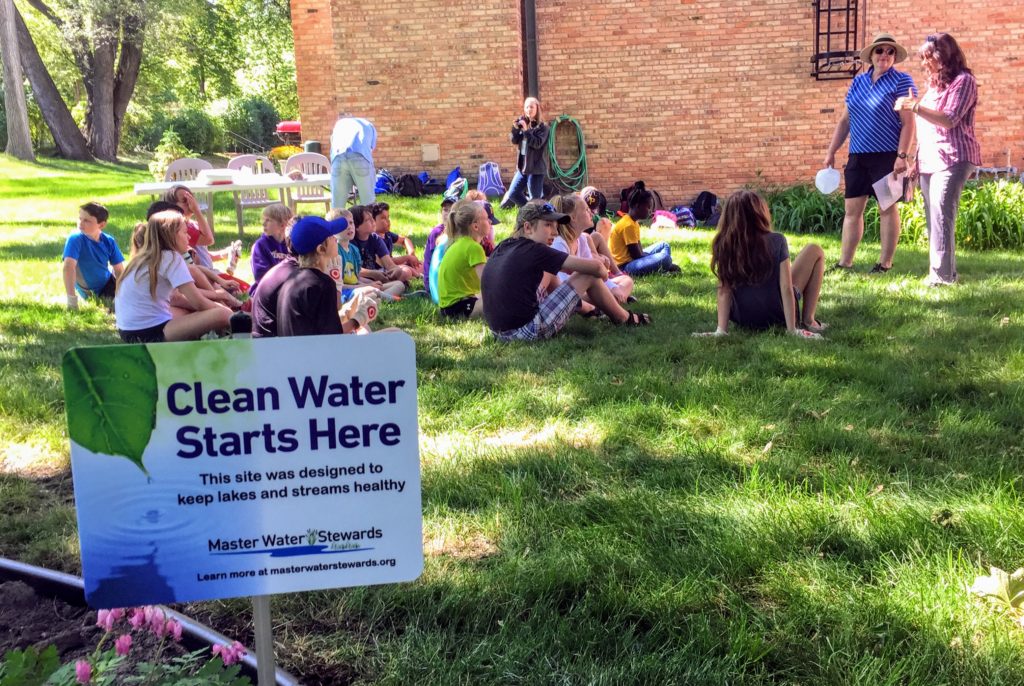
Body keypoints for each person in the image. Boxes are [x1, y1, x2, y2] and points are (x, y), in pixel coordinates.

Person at [481, 203, 651, 342]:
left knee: (551, 270)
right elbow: (596, 269)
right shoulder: (536, 250)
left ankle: (587, 310)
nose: (555, 233)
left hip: (498, 332)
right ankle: (624, 318)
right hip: (525, 331)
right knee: (588, 274)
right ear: (528, 227)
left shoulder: (504, 245)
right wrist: (603, 268)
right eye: (548, 225)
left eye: (555, 226)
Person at [824, 33, 917, 273]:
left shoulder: (902, 82)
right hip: (858, 155)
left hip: (887, 156)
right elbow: (845, 121)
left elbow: (908, 123)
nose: (885, 55)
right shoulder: (858, 83)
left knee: (887, 208)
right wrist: (831, 151)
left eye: (890, 51)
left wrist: (902, 155)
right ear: (871, 55)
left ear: (894, 57)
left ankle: (884, 263)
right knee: (851, 211)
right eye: (880, 51)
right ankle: (845, 262)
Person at [895, 33, 981, 286]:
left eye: (927, 57)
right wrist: (916, 163)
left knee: (942, 214)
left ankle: (942, 278)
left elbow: (949, 118)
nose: (924, 63)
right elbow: (927, 128)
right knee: (934, 217)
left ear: (942, 55)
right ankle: (944, 273)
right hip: (931, 160)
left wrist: (915, 106)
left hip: (954, 157)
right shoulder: (935, 86)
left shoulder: (964, 81)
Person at [698, 190, 825, 339]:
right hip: (778, 314)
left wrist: (721, 330)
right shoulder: (777, 240)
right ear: (760, 213)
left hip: (743, 318)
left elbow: (723, 291)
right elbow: (786, 288)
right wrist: (792, 330)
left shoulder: (723, 244)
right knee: (814, 250)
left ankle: (722, 329)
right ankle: (809, 320)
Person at [114, 210, 232, 343]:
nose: (188, 237)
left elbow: (180, 299)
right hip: (150, 333)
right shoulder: (171, 258)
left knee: (191, 314)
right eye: (184, 232)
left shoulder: (143, 257)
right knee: (223, 315)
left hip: (128, 332)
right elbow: (199, 302)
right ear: (170, 235)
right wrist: (229, 313)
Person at [276, 216, 376, 336]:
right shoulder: (322, 284)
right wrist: (358, 319)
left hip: (294, 352)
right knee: (392, 332)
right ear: (321, 249)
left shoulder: (293, 278)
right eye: (331, 237)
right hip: (316, 353)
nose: (335, 240)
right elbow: (332, 337)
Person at [550, 194, 634, 305]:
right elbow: (561, 285)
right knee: (597, 286)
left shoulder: (582, 239)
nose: (591, 213)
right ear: (573, 218)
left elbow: (596, 272)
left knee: (627, 281)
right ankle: (612, 301)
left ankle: (612, 300)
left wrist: (613, 288)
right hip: (570, 294)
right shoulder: (559, 244)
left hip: (588, 288)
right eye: (586, 210)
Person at [162, 185, 242, 275]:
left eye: (191, 198)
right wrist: (196, 210)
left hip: (208, 272)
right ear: (172, 206)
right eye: (185, 200)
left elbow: (201, 254)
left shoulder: (193, 224)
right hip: (201, 276)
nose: (190, 203)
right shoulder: (181, 229)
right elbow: (209, 240)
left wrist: (224, 254)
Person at [62, 202, 125, 310]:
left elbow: (119, 270)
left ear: (101, 225)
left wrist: (119, 295)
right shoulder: (75, 239)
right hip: (89, 289)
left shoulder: (108, 241)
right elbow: (68, 267)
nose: (81, 223)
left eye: (86, 220)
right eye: (80, 218)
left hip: (108, 283)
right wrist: (71, 300)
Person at [609, 182, 679, 275]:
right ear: (638, 206)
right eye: (648, 207)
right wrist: (653, 257)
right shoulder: (628, 225)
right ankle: (663, 267)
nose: (650, 211)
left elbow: (640, 250)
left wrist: (651, 257)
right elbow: (636, 255)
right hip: (625, 266)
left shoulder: (634, 223)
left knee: (664, 245)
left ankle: (662, 267)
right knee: (665, 258)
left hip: (633, 259)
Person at [436, 200, 489, 320]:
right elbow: (487, 282)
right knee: (498, 297)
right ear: (475, 226)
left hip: (448, 308)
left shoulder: (460, 243)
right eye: (486, 219)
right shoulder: (474, 247)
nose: (490, 221)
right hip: (459, 308)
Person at [499, 97, 550, 209]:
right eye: (526, 107)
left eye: (531, 106)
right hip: (523, 168)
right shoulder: (523, 124)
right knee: (513, 194)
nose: (529, 109)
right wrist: (515, 129)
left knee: (534, 199)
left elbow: (537, 143)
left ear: (537, 108)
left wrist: (526, 131)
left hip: (536, 169)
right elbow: (514, 140)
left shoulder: (543, 128)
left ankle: (535, 217)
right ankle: (530, 211)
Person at [350, 205, 410, 291]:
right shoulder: (351, 242)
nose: (372, 221)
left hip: (377, 277)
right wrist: (373, 274)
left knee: (402, 275)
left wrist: (395, 270)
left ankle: (380, 293)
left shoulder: (375, 238)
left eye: (372, 218)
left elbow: (389, 264)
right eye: (367, 220)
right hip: (360, 279)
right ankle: (381, 294)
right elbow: (353, 270)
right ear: (357, 227)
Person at [329, 114, 377, 207]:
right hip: (360, 156)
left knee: (337, 205)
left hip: (338, 157)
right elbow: (370, 149)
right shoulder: (368, 125)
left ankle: (334, 221)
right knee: (368, 203)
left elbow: (333, 147)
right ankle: (368, 219)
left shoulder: (339, 124)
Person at [371, 202, 423, 277]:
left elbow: (404, 240)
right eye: (383, 218)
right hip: (383, 270)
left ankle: (418, 273)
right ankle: (418, 276)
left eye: (388, 217)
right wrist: (406, 258)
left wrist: (411, 253)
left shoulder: (387, 235)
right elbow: (385, 262)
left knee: (422, 264)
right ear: (373, 221)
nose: (388, 221)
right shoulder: (373, 239)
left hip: (395, 266)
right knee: (406, 271)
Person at [250, 203, 293, 290]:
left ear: (282, 225)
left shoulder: (292, 244)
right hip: (267, 291)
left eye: (268, 220)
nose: (263, 223)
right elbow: (261, 276)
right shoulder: (260, 246)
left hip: (290, 288)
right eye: (263, 220)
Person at [422, 196, 457, 295]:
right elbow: (436, 262)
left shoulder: (457, 232)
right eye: (445, 210)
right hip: (434, 283)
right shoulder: (437, 232)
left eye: (451, 210)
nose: (447, 214)